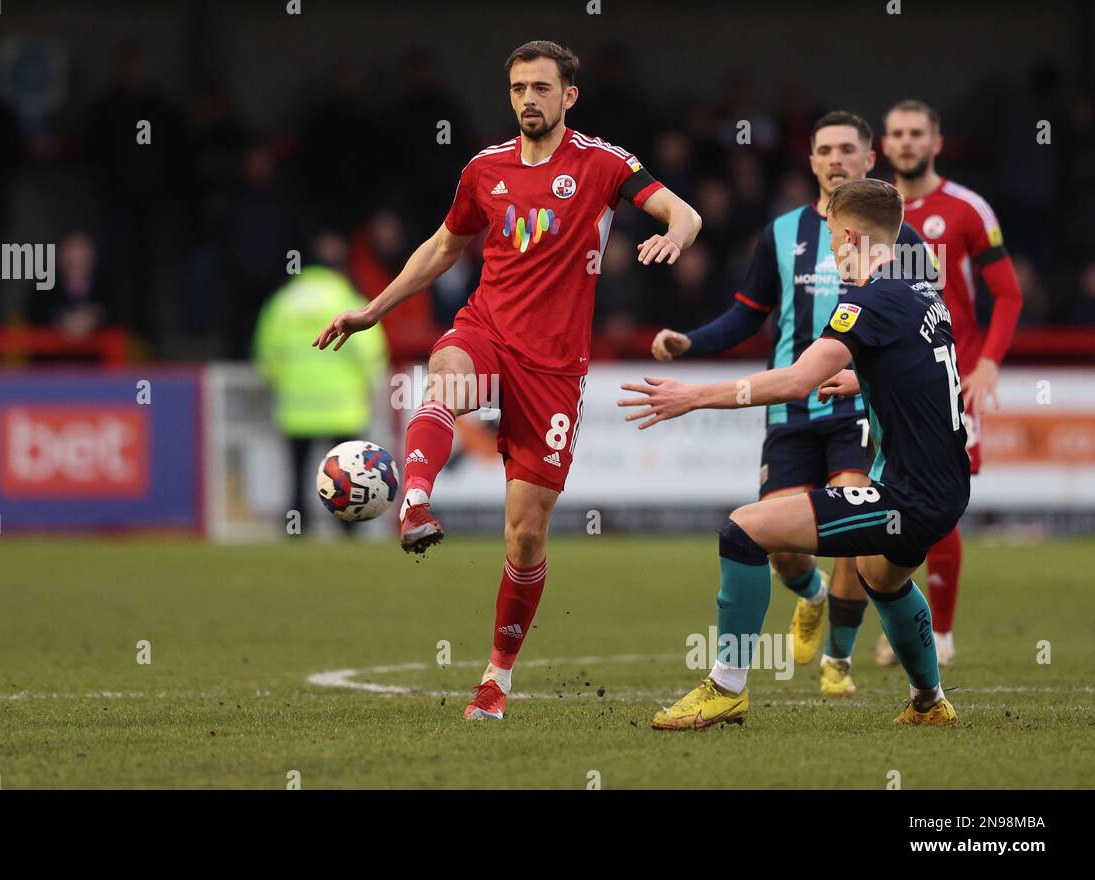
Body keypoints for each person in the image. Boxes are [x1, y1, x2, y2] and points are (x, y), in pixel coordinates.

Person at [314, 40, 701, 721]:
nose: (528, 98)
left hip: (554, 369)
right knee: (448, 374)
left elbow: (683, 211)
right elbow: (443, 246)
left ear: (567, 96)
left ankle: (495, 679)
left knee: (524, 537)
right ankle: (416, 503)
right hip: (488, 329)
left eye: (541, 88)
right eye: (519, 87)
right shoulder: (483, 170)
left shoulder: (604, 164)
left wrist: (676, 234)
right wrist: (375, 310)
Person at [621, 178, 967, 729]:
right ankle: (929, 702)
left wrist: (693, 396)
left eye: (832, 239)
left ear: (852, 235)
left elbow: (795, 381)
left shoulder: (870, 301)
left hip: (908, 496)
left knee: (744, 530)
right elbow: (927, 365)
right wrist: (866, 381)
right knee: (883, 578)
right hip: (943, 486)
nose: (831, 251)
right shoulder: (922, 287)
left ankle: (726, 688)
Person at [650, 112, 932, 697]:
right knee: (781, 545)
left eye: (846, 149)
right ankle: (812, 596)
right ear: (809, 161)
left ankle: (838, 659)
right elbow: (748, 314)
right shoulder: (781, 233)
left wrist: (873, 381)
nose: (835, 159)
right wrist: (692, 342)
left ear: (869, 159)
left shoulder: (898, 241)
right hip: (790, 407)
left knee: (855, 518)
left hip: (854, 405)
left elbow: (923, 329)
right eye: (823, 149)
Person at [880, 99, 1024, 667]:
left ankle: (938, 633)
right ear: (884, 145)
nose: (908, 142)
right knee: (885, 499)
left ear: (937, 141)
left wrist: (988, 362)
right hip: (885, 380)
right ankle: (901, 617)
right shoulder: (871, 209)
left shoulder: (967, 209)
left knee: (937, 503)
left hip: (949, 378)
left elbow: (1009, 294)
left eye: (918, 133)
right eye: (897, 133)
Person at [256, 234, 389, 532]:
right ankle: (348, 531)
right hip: (343, 407)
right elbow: (372, 355)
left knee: (298, 477)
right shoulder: (349, 301)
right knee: (348, 477)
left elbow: (267, 356)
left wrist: (287, 384)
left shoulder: (282, 304)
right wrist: (367, 386)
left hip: (296, 408)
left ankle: (296, 530)